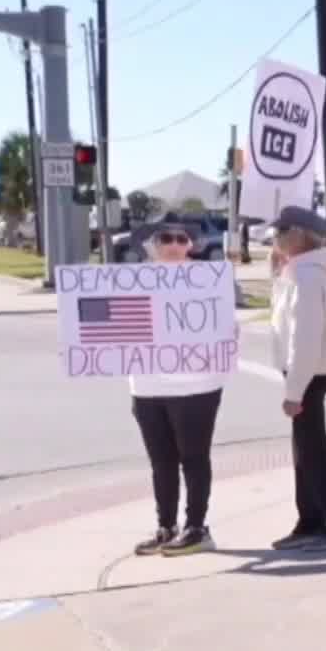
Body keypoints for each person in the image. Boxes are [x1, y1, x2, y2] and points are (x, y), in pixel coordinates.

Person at [129, 213, 229, 557]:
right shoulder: (134, 280)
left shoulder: (208, 280)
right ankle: (166, 526)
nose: (173, 245)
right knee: (161, 462)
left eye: (180, 239)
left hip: (196, 386)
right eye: (164, 239)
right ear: (151, 245)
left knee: (194, 458)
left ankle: (197, 527)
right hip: (147, 385)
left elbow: (226, 328)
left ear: (191, 244)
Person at [267, 205, 326, 552]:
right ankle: (311, 520)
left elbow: (305, 337)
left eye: (280, 233)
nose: (273, 239)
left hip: (307, 373)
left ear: (299, 236)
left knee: (314, 453)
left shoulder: (307, 278)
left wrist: (295, 390)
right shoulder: (308, 273)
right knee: (304, 452)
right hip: (312, 372)